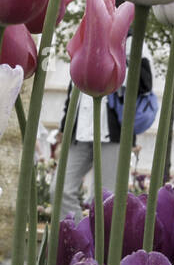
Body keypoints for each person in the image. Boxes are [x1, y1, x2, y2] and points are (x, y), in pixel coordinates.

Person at [57, 35, 153, 220]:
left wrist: (112, 64)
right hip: (79, 134)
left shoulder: (132, 39)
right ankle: (80, 237)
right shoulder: (86, 36)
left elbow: (145, 83)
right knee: (60, 189)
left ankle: (98, 246)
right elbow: (73, 89)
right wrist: (64, 127)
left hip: (113, 134)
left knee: (104, 201)